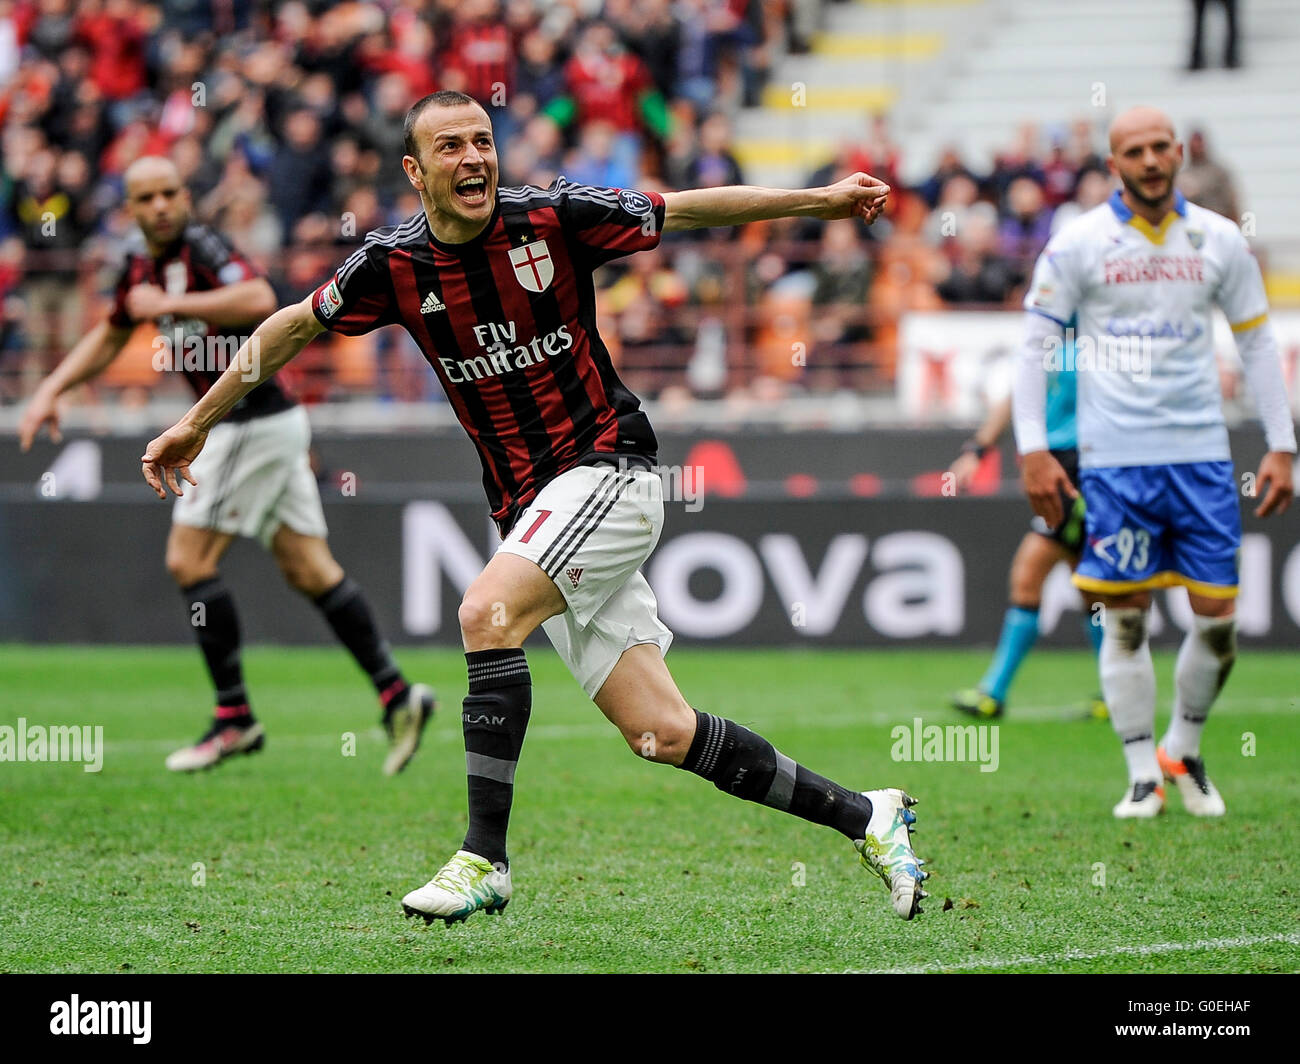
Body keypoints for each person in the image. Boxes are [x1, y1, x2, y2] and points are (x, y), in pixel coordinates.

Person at [141, 91, 929, 923]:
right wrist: (196, 422)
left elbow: (688, 209)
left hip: (609, 472)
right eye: (450, 147)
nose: (474, 158)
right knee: (660, 732)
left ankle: (484, 858)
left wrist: (823, 198)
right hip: (531, 508)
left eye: (482, 140)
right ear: (415, 171)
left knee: (486, 609)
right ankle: (867, 815)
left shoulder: (554, 217)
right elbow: (292, 327)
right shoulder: (393, 265)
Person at [19, 156, 434, 776]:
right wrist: (53, 386)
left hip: (246, 424)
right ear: (130, 210)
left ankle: (234, 718)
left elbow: (260, 298)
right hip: (271, 426)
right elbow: (112, 330)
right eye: (146, 199)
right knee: (311, 569)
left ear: (185, 195)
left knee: (188, 560)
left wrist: (174, 298)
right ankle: (397, 693)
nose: (160, 206)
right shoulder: (142, 263)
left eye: (169, 193)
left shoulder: (203, 246)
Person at [1012, 107, 1295, 818]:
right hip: (1116, 462)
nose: (1148, 160)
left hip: (1200, 456)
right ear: (1114, 164)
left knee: (1219, 620)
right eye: (1132, 150)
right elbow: (1033, 343)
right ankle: (1142, 769)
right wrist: (1032, 447)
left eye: (1159, 147)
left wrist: (1283, 443)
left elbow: (1258, 343)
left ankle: (1185, 747)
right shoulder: (1079, 242)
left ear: (1178, 153)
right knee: (1125, 619)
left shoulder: (1219, 240)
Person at [947, 377, 1108, 721]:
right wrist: (977, 450)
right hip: (1055, 466)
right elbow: (1018, 393)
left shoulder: (1099, 342)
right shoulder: (1047, 339)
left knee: (1030, 575)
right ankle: (1116, 694)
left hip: (1083, 470)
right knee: (1090, 590)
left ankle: (993, 692)